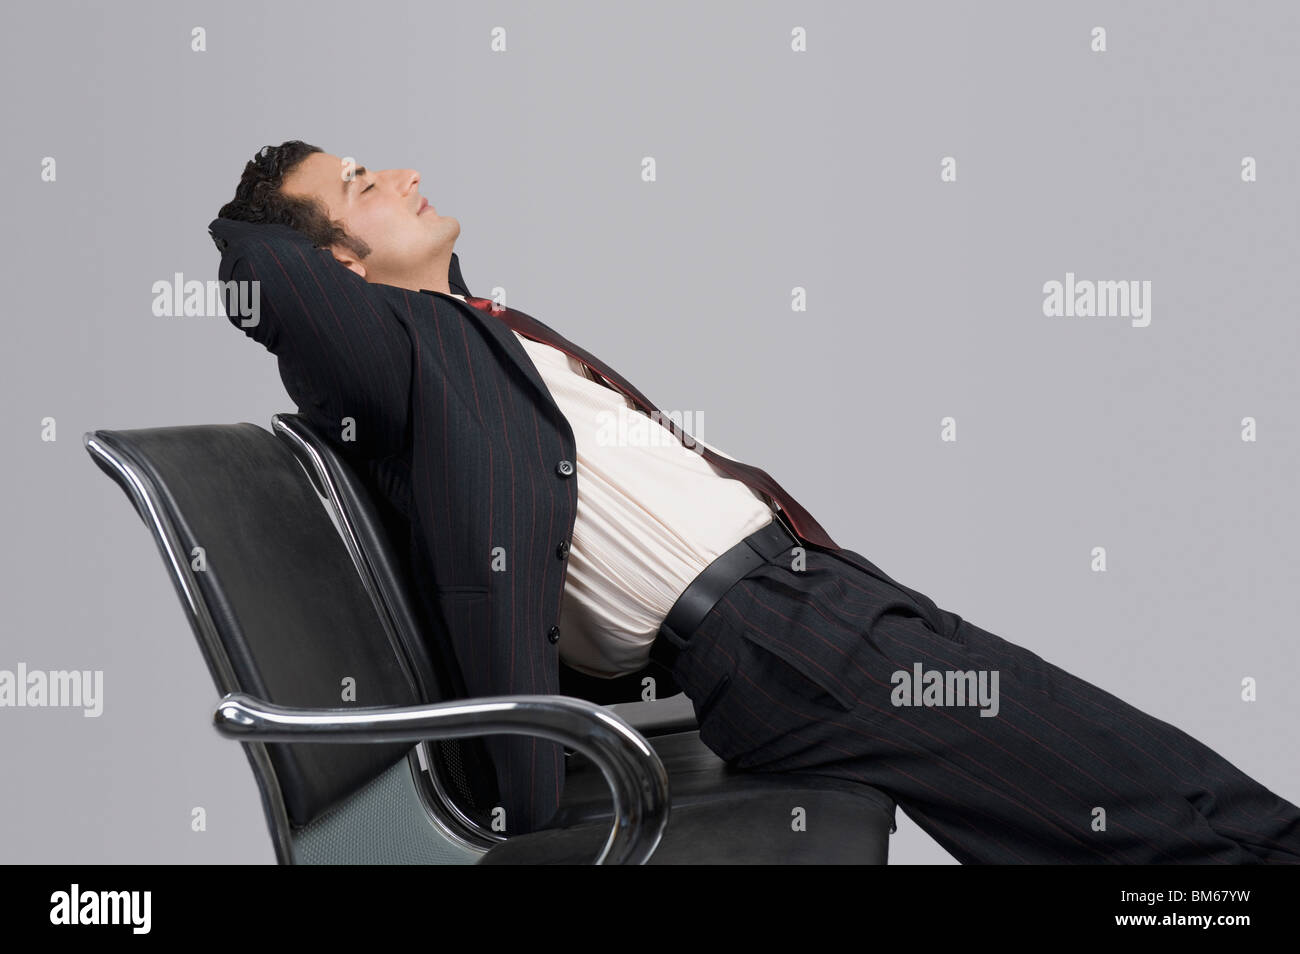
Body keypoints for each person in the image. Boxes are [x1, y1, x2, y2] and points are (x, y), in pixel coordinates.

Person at [208, 140, 1300, 863]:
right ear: (338, 262)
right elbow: (266, 271)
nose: (399, 174)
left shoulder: (474, 338)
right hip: (769, 642)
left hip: (820, 606)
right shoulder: (384, 364)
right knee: (1129, 819)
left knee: (1134, 766)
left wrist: (361, 228)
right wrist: (267, 222)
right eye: (358, 184)